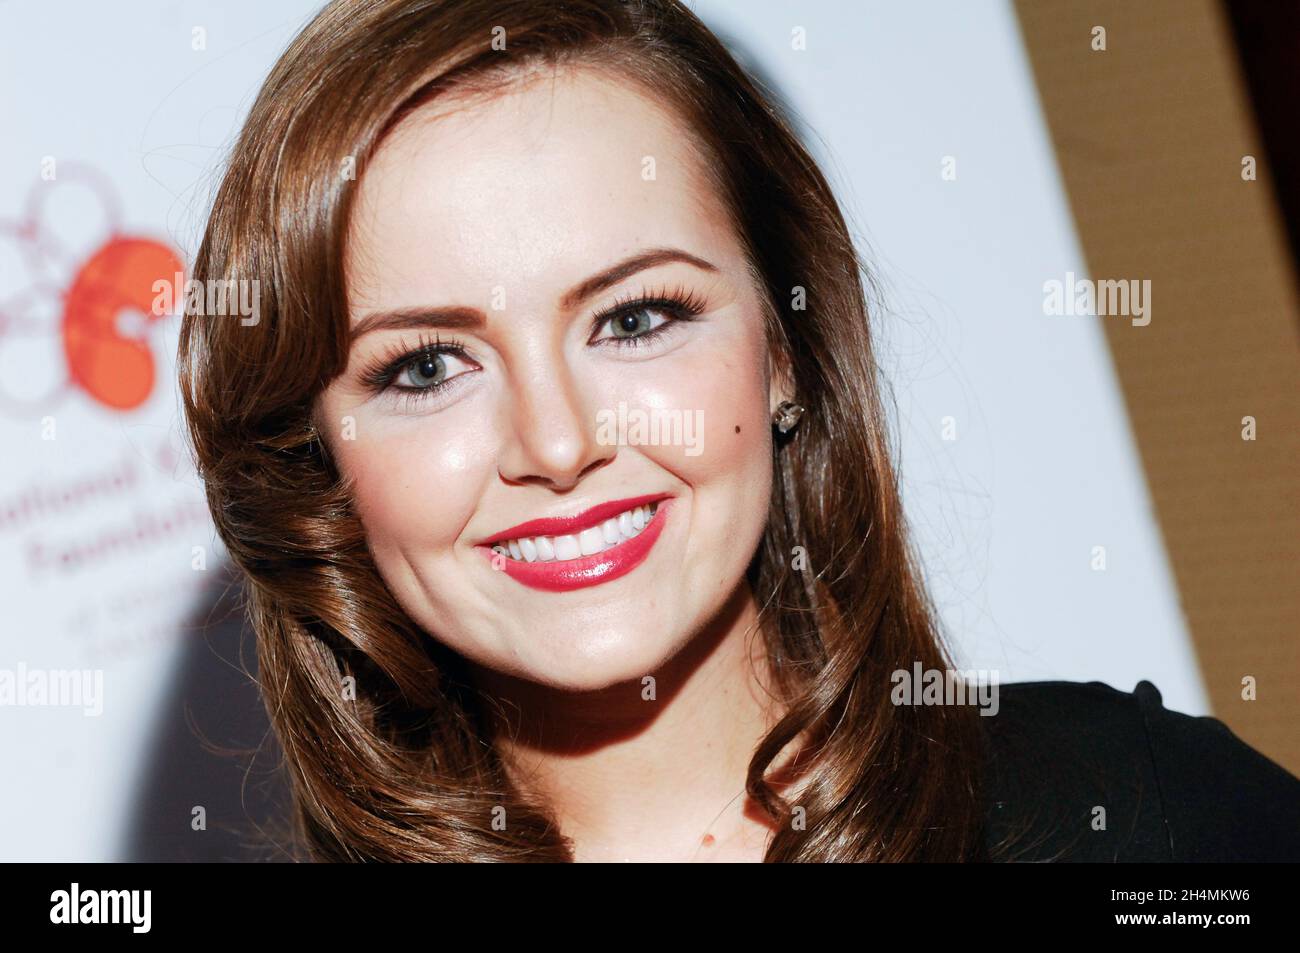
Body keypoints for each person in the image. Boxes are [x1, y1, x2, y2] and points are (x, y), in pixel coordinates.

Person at [176, 0, 1300, 862]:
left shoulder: (1139, 816)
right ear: (316, 462)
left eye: (635, 317)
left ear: (786, 346)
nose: (558, 443)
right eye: (427, 366)